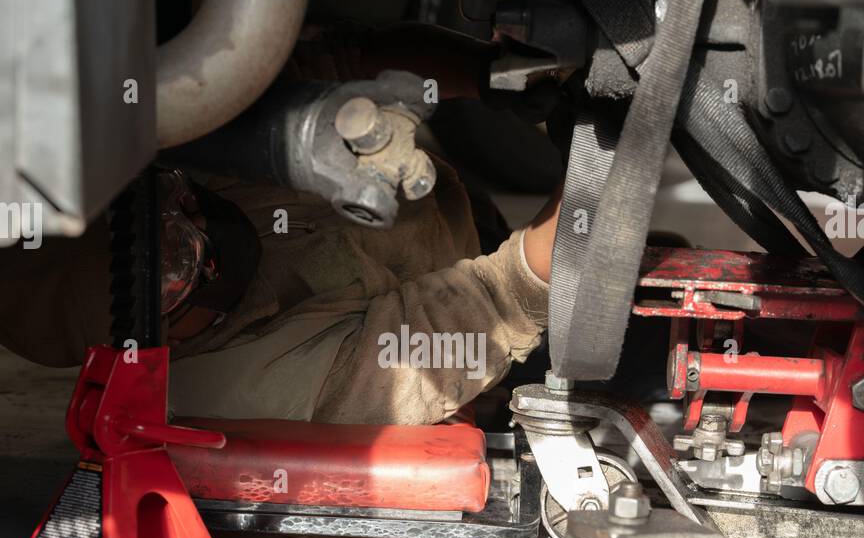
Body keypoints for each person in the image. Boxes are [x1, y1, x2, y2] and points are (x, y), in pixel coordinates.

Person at [0, 152, 563, 427]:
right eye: (177, 261)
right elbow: (500, 300)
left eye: (165, 198)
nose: (195, 218)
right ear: (151, 342)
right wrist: (604, 160)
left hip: (452, 199)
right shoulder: (261, 392)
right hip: (517, 337)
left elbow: (315, 64)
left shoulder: (183, 171)